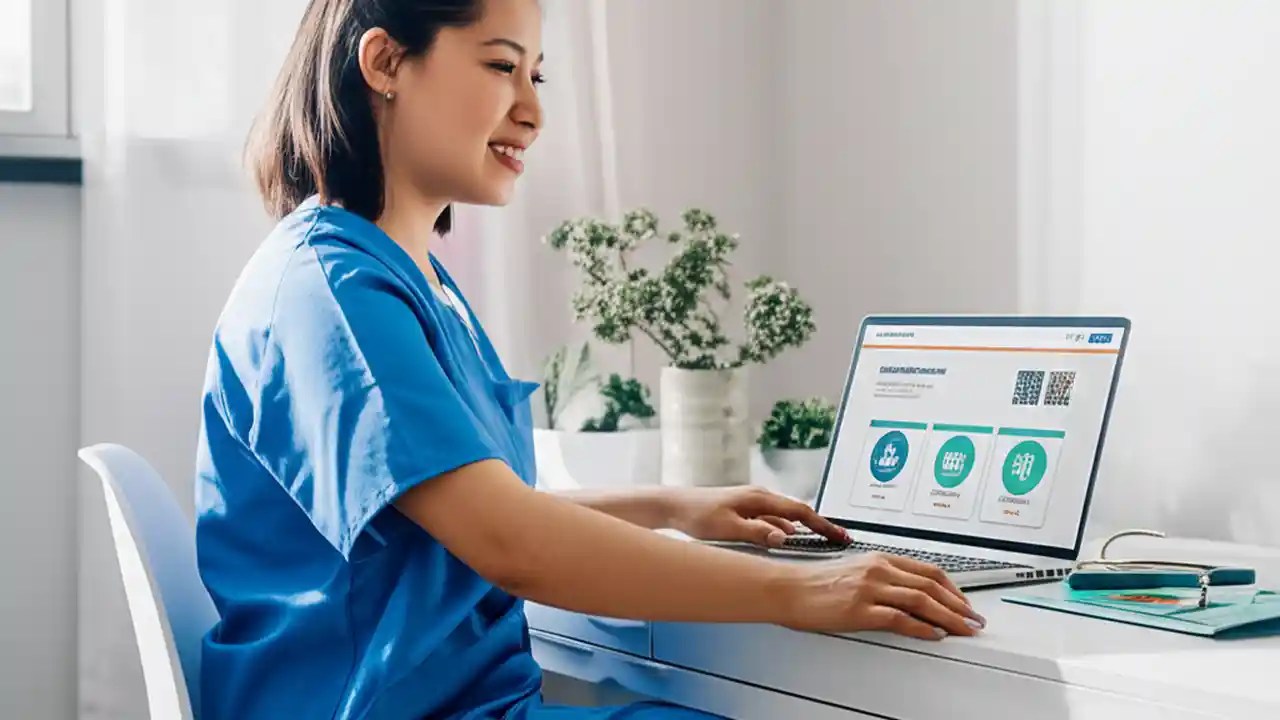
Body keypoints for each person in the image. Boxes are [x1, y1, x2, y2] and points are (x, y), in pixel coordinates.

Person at [193, 0, 985, 718]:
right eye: (501, 67)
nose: (533, 112)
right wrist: (801, 589)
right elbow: (511, 544)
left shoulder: (408, 280)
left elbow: (472, 516)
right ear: (386, 62)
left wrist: (673, 506)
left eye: (536, 76)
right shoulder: (329, 292)